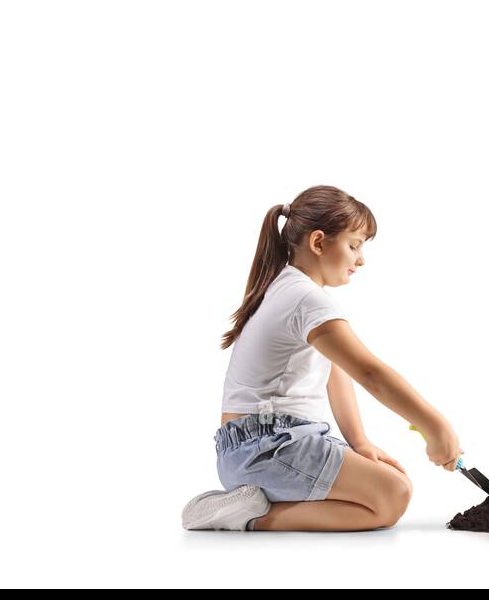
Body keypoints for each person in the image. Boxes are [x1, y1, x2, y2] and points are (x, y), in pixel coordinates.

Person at [181, 184, 464, 532]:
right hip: (267, 447)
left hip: (251, 447)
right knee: (392, 494)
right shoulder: (306, 299)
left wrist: (359, 442)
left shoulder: (284, 287)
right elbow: (370, 373)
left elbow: (337, 373)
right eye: (354, 245)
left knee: (386, 483)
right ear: (318, 243)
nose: (360, 259)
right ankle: (249, 516)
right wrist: (436, 427)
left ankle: (248, 504)